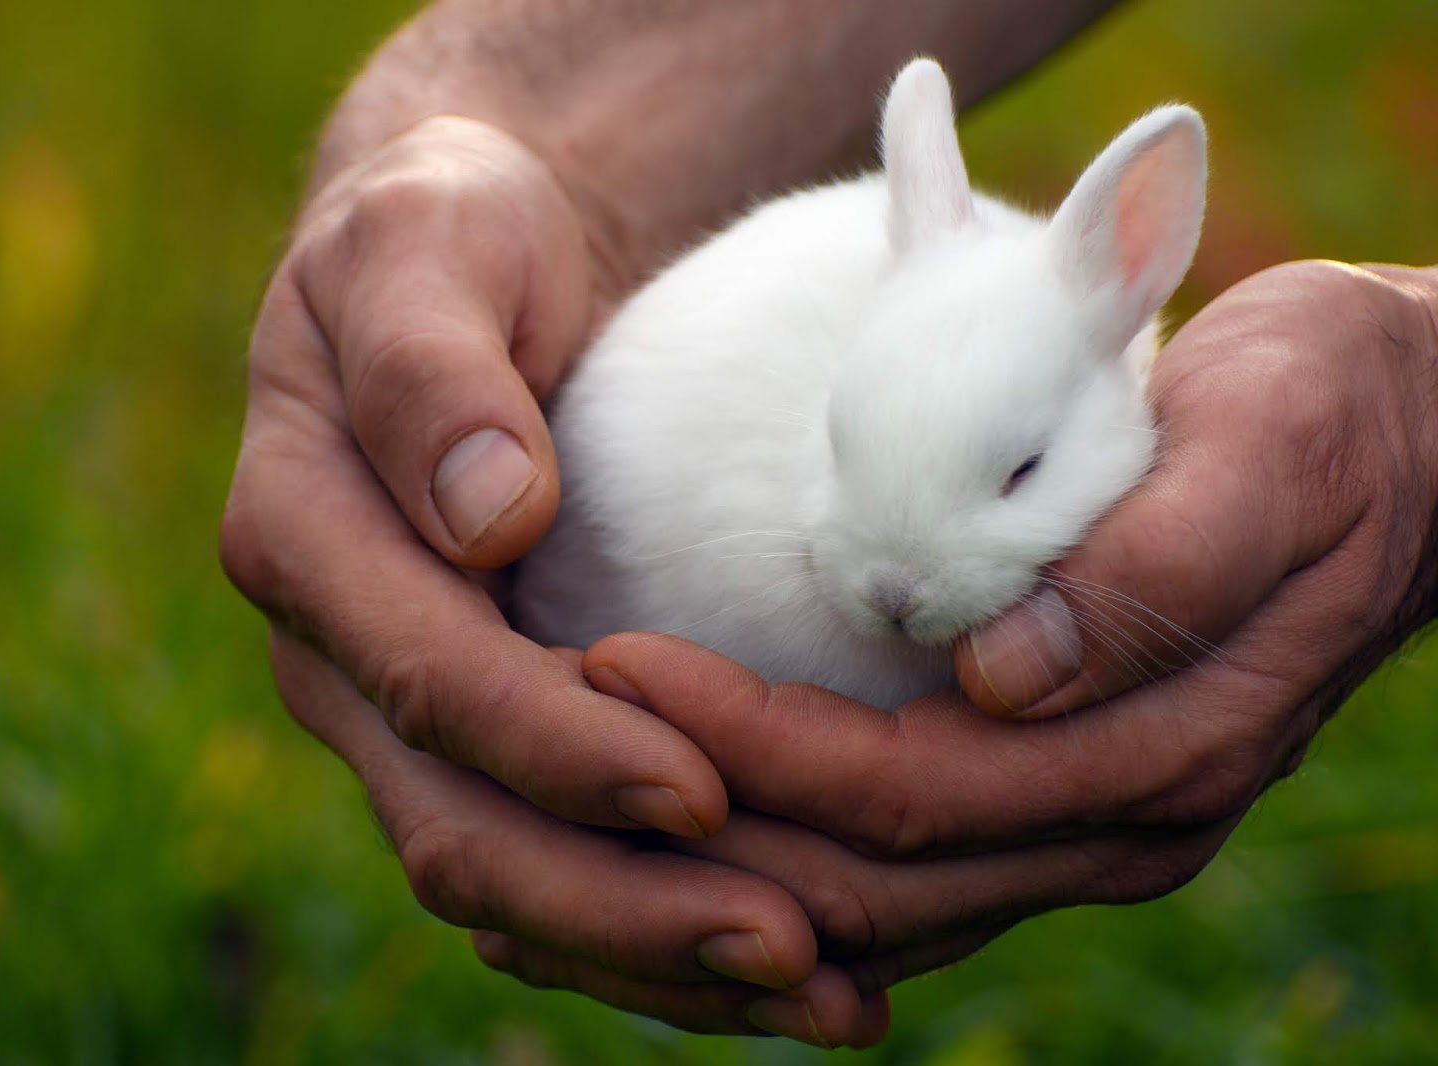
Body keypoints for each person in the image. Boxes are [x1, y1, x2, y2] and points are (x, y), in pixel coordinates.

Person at [219, 0, 1438, 1049]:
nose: (898, 586)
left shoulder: (1075, 325)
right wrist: (508, 132)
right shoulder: (876, 319)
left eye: (1016, 476)